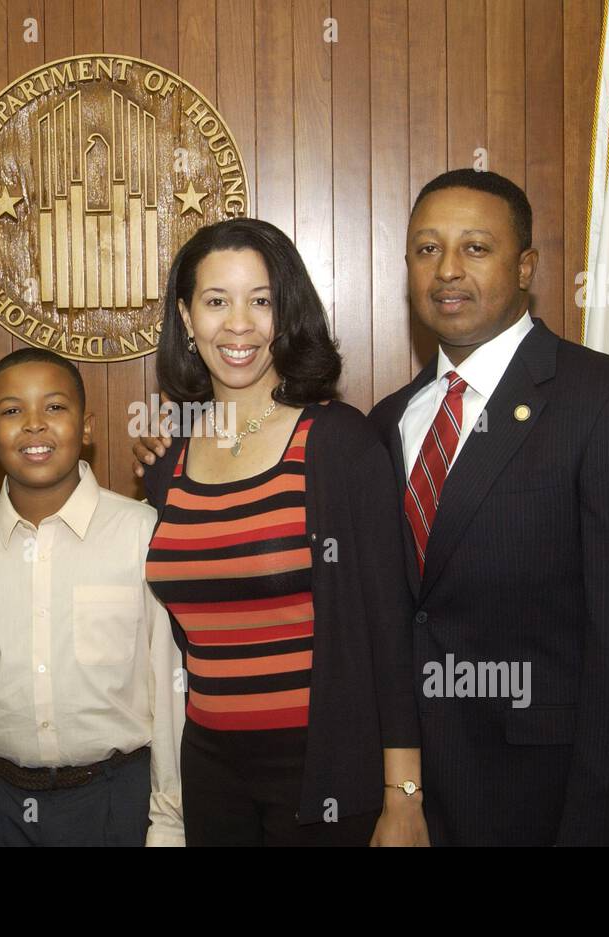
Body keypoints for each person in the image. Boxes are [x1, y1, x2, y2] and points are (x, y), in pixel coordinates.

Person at [366, 169, 609, 844]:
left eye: (476, 248)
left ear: (525, 267)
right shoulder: (388, 421)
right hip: (415, 813)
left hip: (555, 811)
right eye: (427, 249)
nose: (448, 270)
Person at [140, 218, 428, 846]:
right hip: (211, 769)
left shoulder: (337, 443)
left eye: (261, 301)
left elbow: (389, 626)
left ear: (287, 314)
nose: (238, 324)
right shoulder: (168, 462)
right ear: (187, 319)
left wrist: (403, 797)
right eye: (216, 301)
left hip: (322, 768)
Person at [0, 348, 185, 846]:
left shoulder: (141, 534)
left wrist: (169, 823)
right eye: (11, 411)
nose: (33, 426)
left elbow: (170, 691)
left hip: (116, 799)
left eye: (54, 407)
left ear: (86, 427)